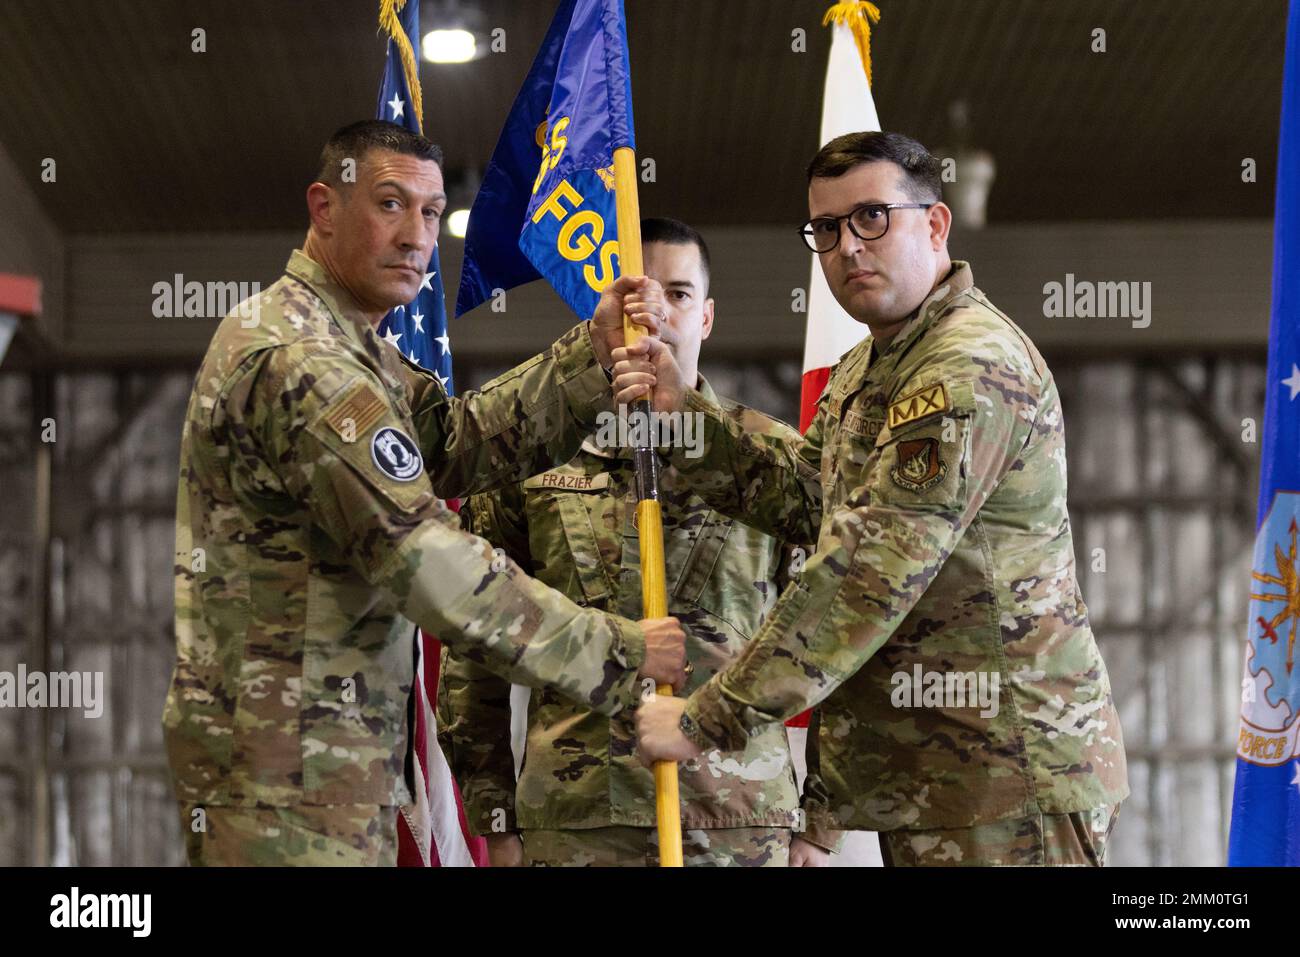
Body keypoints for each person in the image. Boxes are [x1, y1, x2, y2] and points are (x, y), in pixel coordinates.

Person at [163, 119, 685, 866]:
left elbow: (449, 443)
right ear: (324, 208)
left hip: (317, 760)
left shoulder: (348, 342)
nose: (416, 236)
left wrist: (589, 355)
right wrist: (616, 649)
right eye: (389, 203)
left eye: (431, 213)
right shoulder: (302, 358)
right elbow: (422, 556)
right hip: (286, 775)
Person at [622, 131, 1129, 866]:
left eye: (870, 218)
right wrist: (684, 415)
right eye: (826, 229)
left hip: (1008, 775)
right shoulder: (873, 360)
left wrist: (706, 718)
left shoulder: (968, 364)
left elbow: (866, 571)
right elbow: (806, 494)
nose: (847, 247)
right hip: (936, 776)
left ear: (935, 224)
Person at [440, 218, 839, 867]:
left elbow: (834, 631)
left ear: (706, 317)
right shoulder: (535, 461)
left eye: (678, 295)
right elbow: (473, 643)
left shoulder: (773, 460)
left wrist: (821, 823)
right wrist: (494, 815)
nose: (655, 316)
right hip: (576, 822)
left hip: (739, 821)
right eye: (639, 297)